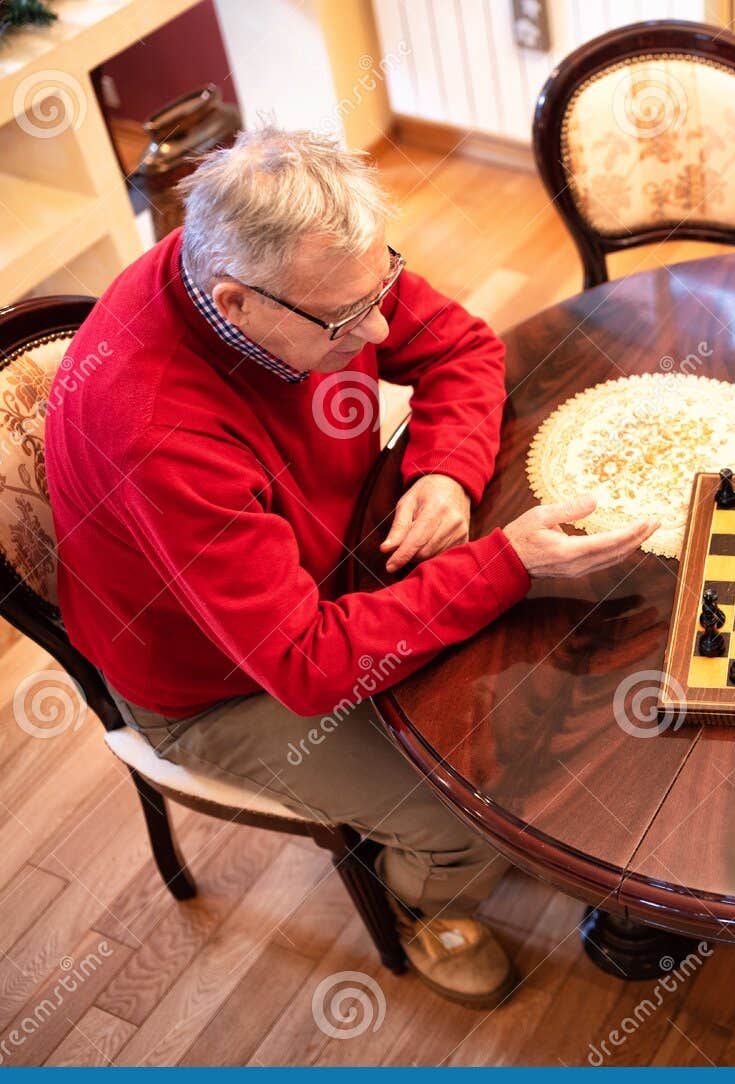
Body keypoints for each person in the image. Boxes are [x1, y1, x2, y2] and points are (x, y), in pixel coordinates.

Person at [45, 128, 657, 1006]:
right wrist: (507, 562)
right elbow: (305, 664)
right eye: (344, 320)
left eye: (382, 290)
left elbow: (463, 348)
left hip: (335, 574)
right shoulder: (156, 431)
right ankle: (429, 900)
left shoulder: (307, 267)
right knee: (473, 813)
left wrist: (448, 464)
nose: (375, 329)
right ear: (236, 302)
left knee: (553, 688)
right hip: (219, 682)